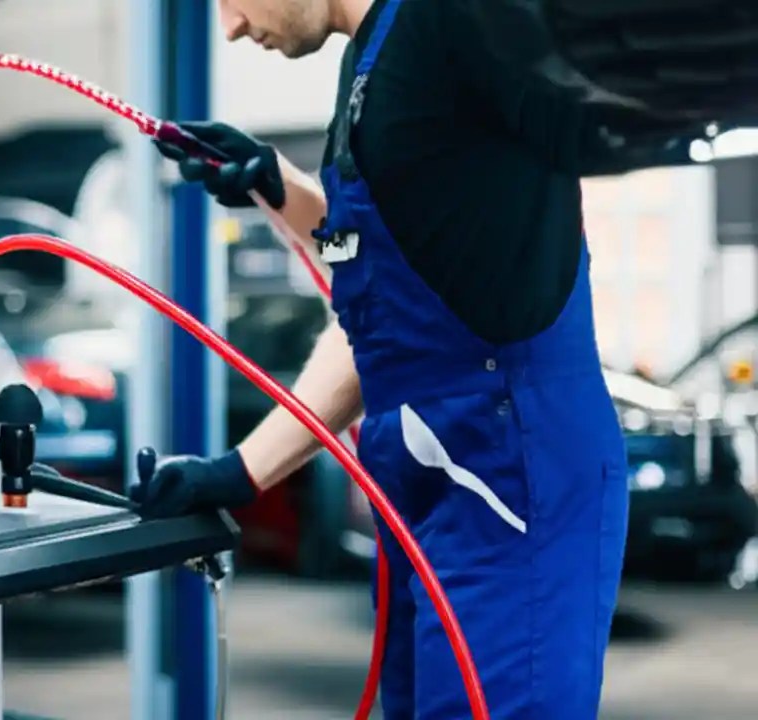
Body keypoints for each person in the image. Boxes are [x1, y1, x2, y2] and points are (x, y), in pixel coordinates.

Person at [140, 0, 630, 718]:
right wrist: (242, 470)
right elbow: (388, 309)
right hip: (427, 486)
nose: (231, 27)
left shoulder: (457, 21)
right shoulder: (371, 60)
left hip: (513, 475)